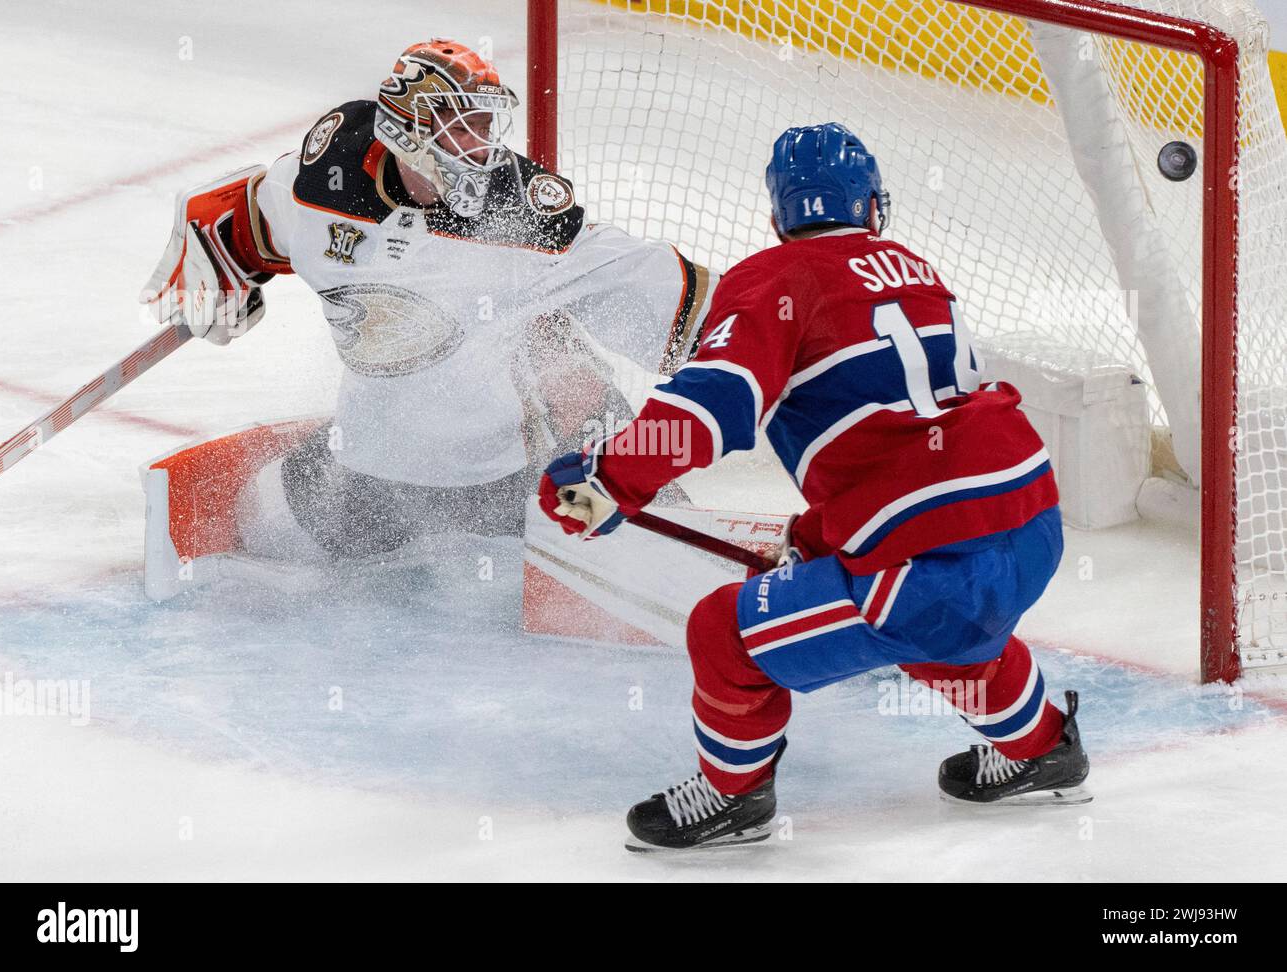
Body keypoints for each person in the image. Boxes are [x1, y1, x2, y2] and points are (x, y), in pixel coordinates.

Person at [538, 123, 1090, 851]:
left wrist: (613, 474)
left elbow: (715, 406)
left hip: (933, 563)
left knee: (723, 633)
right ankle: (1043, 748)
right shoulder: (915, 270)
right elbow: (908, 437)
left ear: (778, 218)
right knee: (944, 634)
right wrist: (822, 539)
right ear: (871, 209)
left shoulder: (775, 279)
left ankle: (734, 801)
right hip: (1031, 519)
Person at [141, 40, 714, 561]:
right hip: (362, 472)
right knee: (251, 538)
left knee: (576, 386)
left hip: (500, 483)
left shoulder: (524, 220)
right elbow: (236, 216)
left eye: (488, 127)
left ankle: (652, 510)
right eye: (465, 129)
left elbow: (652, 285)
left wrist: (772, 325)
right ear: (408, 130)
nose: (485, 148)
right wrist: (214, 267)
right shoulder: (327, 181)